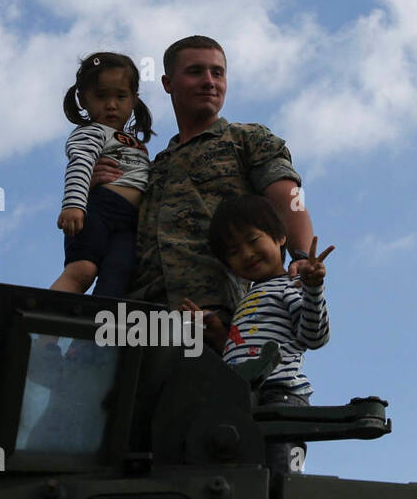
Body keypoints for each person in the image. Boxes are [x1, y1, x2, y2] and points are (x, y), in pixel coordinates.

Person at [89, 36, 315, 347]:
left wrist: (301, 255)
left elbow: (288, 196)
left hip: (214, 320)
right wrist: (99, 185)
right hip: (139, 324)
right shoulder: (150, 168)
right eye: (196, 72)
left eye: (217, 73)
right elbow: (112, 226)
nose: (209, 82)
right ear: (168, 83)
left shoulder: (247, 139)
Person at [182, 195, 333, 474]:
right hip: (243, 395)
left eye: (253, 241)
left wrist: (313, 288)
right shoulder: (246, 300)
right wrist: (218, 332)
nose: (247, 254)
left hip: (281, 394)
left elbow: (315, 337)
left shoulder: (290, 287)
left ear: (279, 237)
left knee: (280, 468)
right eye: (234, 252)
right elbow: (244, 346)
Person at [51, 52, 154, 296]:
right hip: (100, 210)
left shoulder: (137, 145)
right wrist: (74, 205)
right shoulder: (91, 132)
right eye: (101, 96)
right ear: (83, 99)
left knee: (118, 274)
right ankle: (39, 329)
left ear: (134, 100)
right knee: (82, 270)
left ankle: (96, 331)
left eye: (121, 96)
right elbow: (81, 163)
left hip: (130, 223)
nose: (111, 104)